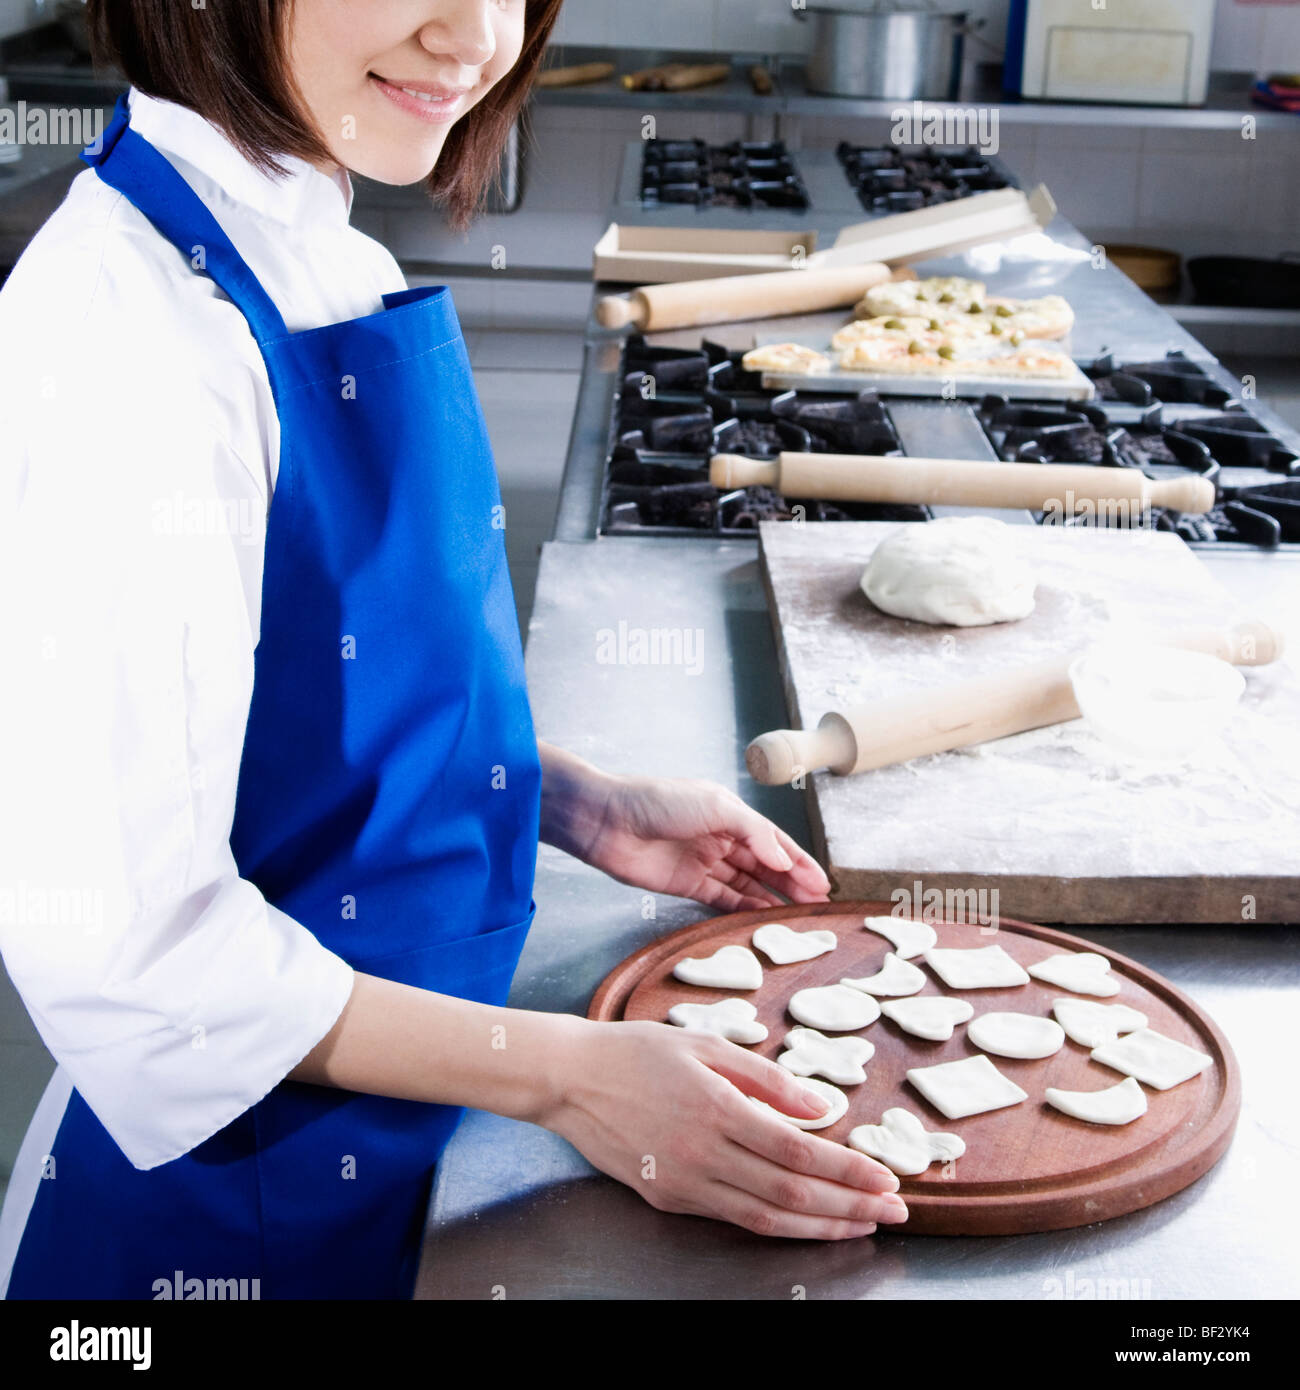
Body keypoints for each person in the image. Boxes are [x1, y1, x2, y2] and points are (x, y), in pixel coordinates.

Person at [0, 0, 906, 1300]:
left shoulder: (325, 256)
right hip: (244, 1216)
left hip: (416, 1135)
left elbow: (304, 694)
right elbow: (130, 946)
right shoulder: (126, 337)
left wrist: (568, 797)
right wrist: (569, 1075)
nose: (478, 38)